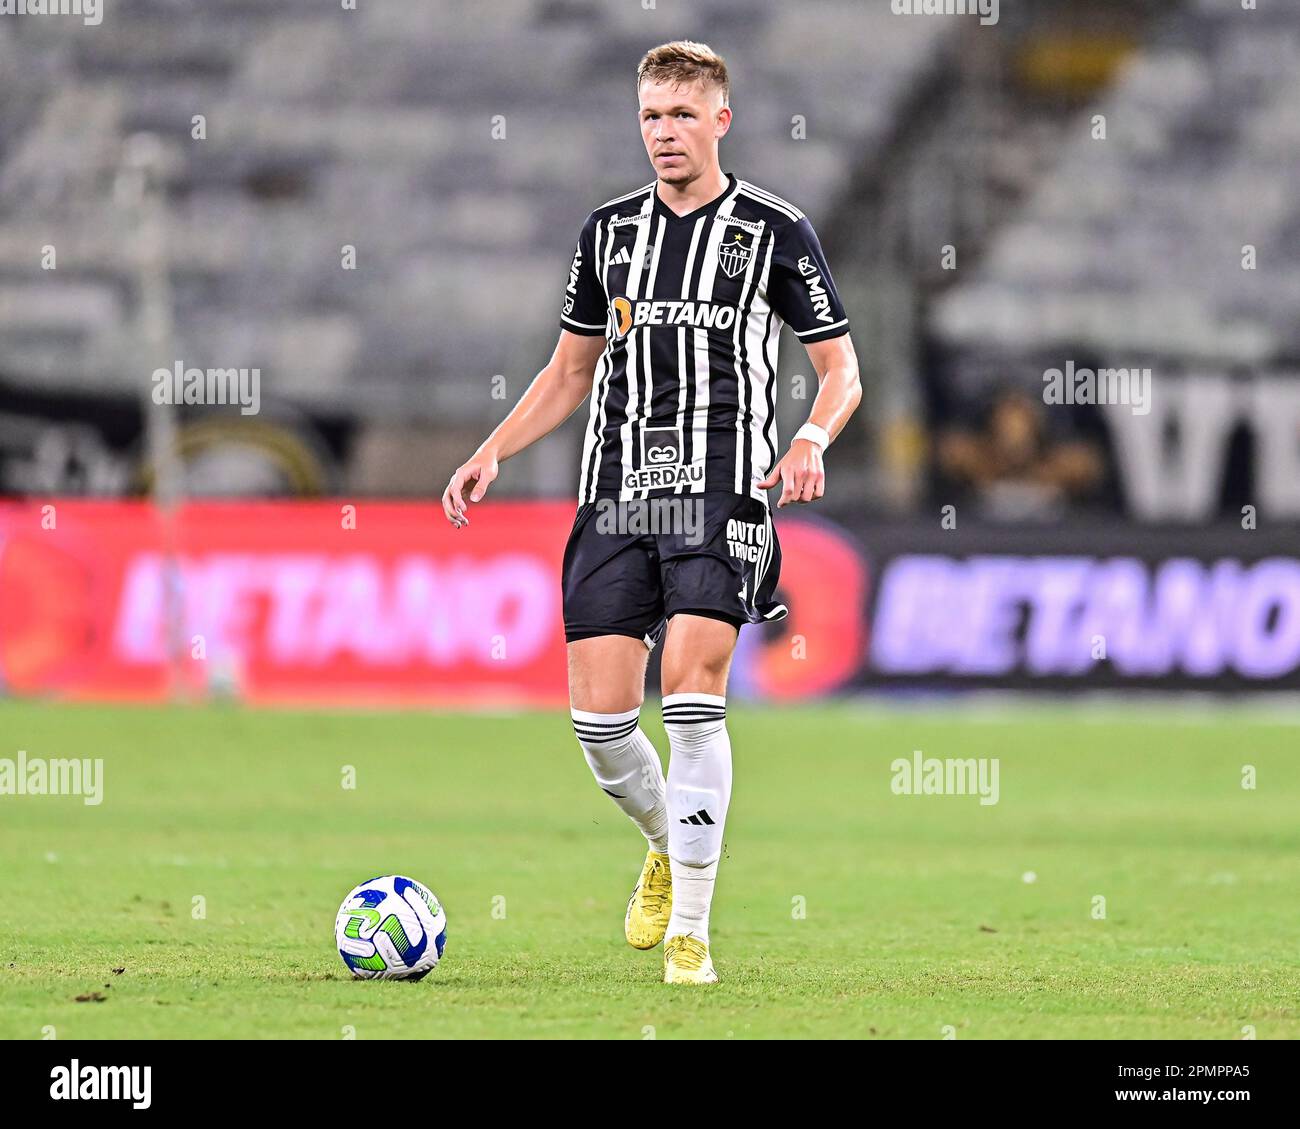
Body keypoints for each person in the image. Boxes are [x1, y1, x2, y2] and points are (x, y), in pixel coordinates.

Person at [442, 41, 861, 983]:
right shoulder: (607, 234)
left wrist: (809, 441)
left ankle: (693, 937)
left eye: (682, 114)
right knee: (598, 725)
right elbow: (570, 371)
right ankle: (669, 842)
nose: (664, 133)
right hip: (616, 496)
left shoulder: (775, 230)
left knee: (692, 695)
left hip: (724, 494)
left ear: (721, 119)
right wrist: (492, 450)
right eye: (650, 116)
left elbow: (841, 368)